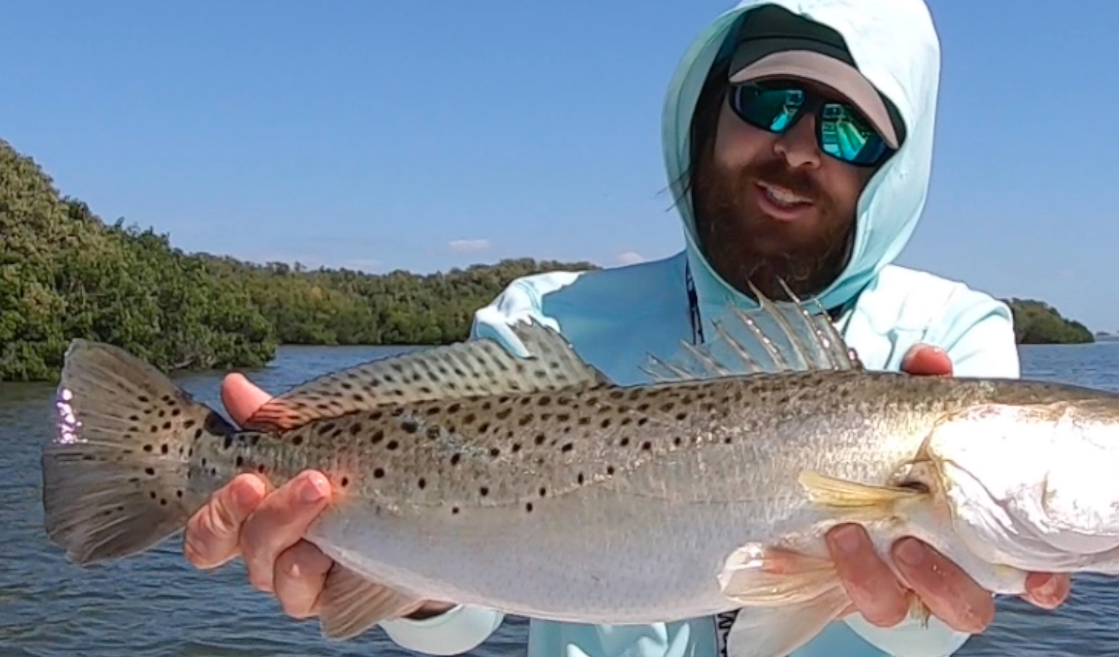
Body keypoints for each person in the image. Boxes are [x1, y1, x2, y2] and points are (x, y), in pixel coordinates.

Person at [182, 0, 1072, 655]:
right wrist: (377, 579)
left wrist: (928, 601)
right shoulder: (546, 318)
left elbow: (944, 624)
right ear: (702, 114)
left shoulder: (956, 345)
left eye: (846, 131)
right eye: (767, 104)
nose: (798, 147)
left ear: (892, 169)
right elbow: (461, 615)